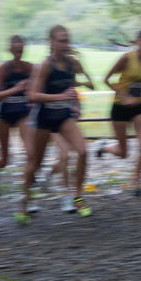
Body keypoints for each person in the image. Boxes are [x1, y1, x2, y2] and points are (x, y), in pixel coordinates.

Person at [20, 25, 92, 224]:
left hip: (63, 117)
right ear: (51, 42)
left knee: (83, 151)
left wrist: (74, 101)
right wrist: (59, 96)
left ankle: (77, 198)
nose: (65, 44)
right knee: (35, 164)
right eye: (61, 40)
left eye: (67, 40)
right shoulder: (45, 65)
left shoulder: (71, 63)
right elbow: (32, 96)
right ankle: (24, 202)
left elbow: (75, 85)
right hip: (43, 119)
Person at [98, 29, 141, 197]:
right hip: (119, 108)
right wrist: (122, 95)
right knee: (123, 153)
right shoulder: (127, 58)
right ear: (138, 41)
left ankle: (136, 183)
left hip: (137, 108)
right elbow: (106, 80)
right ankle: (103, 147)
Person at [0, 36, 33, 196]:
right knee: (5, 160)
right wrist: (14, 90)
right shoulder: (4, 68)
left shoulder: (29, 68)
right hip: (4, 115)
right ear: (10, 50)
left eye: (21, 50)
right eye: (16, 50)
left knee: (30, 152)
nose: (19, 53)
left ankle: (27, 185)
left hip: (22, 113)